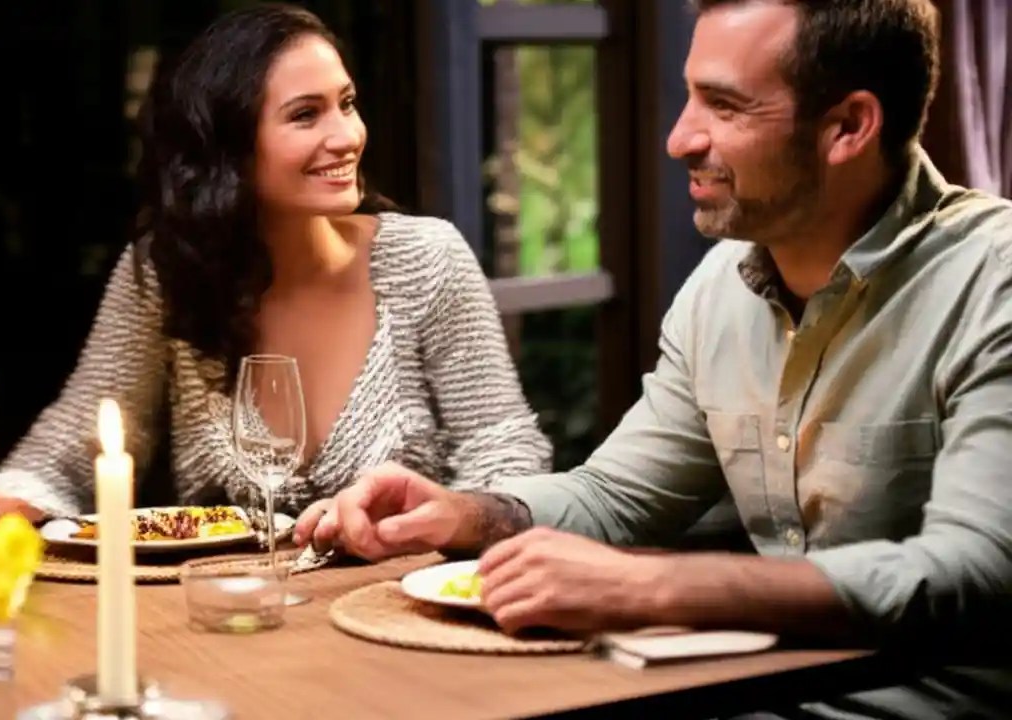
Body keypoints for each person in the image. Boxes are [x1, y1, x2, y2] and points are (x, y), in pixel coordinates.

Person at [295, 0, 1012, 716]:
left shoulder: (992, 281)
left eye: (725, 107)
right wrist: (462, 514)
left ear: (849, 126)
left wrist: (650, 588)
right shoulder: (719, 289)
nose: (678, 138)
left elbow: (973, 572)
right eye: (690, 95)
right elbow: (618, 499)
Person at [0, 4, 551, 526]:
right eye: (306, 115)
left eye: (346, 104)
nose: (345, 136)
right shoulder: (166, 273)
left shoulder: (425, 259)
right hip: (230, 618)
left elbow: (503, 447)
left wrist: (458, 517)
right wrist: (10, 498)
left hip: (399, 610)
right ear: (230, 147)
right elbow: (81, 439)